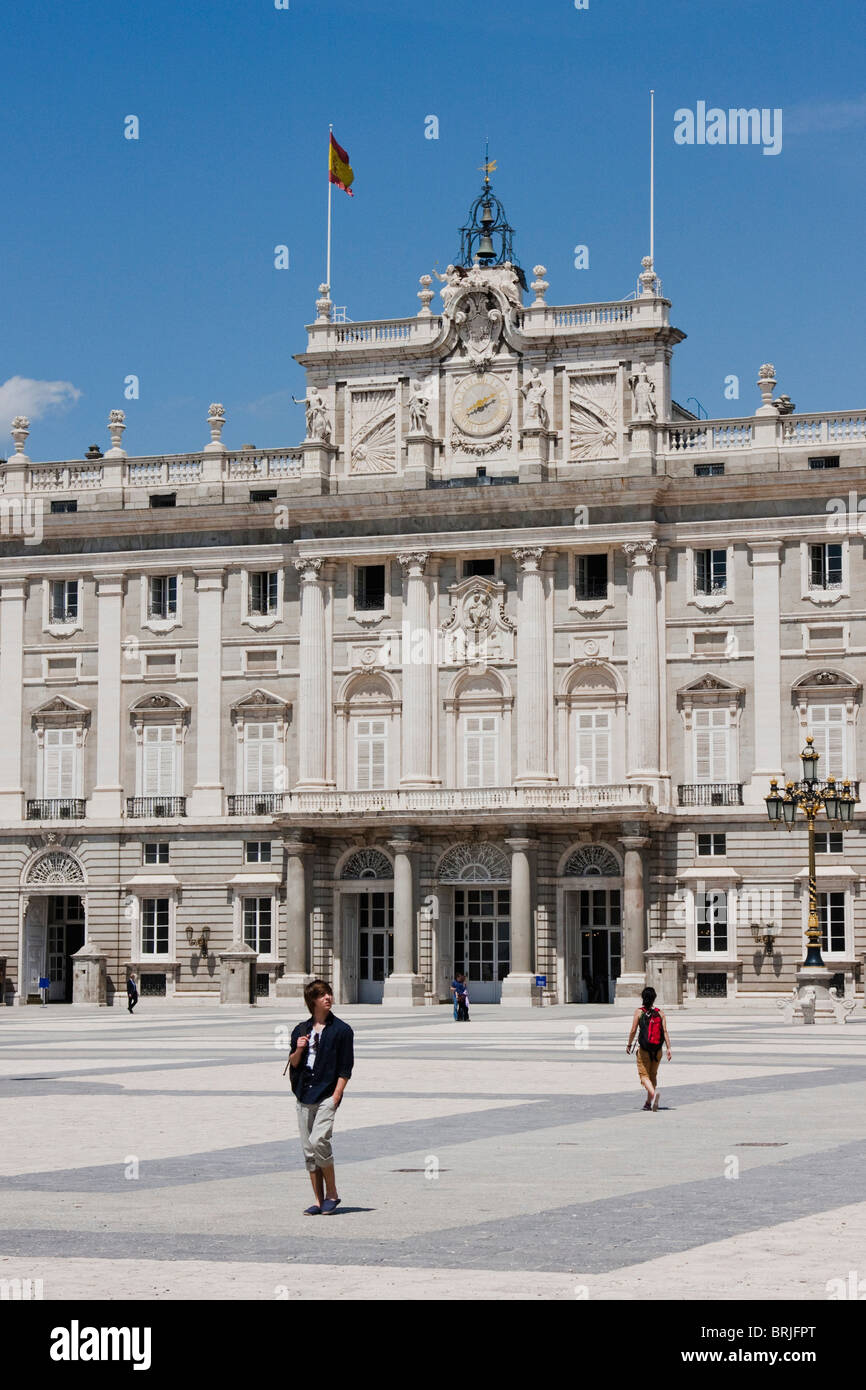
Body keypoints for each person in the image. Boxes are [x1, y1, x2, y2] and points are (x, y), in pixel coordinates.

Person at [287, 980, 354, 1215]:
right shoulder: (301, 1030)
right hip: (304, 1093)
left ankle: (332, 1193)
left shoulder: (342, 1031)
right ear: (312, 1001)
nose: (328, 997)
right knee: (308, 1150)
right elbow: (293, 1063)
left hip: (327, 1094)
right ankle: (318, 1201)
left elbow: (346, 1068)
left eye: (329, 993)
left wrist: (337, 1095)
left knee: (319, 1142)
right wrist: (299, 1048)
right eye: (322, 995)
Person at [626, 986, 671, 1111]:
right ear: (654, 998)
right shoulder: (660, 1013)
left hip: (644, 1050)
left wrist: (629, 1044)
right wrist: (669, 1048)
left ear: (643, 997)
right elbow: (665, 1031)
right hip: (657, 1050)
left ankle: (653, 1093)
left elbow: (633, 1030)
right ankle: (648, 1103)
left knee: (644, 1076)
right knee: (653, 1075)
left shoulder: (639, 1012)